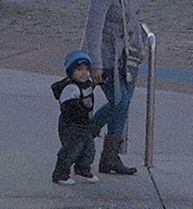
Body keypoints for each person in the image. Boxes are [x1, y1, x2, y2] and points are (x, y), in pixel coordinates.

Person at [82, 0, 143, 175]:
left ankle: (110, 157)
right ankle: (85, 134)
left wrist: (139, 46)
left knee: (124, 105)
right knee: (120, 101)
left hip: (126, 56)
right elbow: (93, 29)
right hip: (105, 57)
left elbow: (134, 18)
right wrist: (96, 64)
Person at [51, 51, 99, 186]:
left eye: (86, 69)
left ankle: (82, 168)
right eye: (79, 70)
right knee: (71, 149)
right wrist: (81, 105)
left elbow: (93, 85)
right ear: (71, 72)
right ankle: (60, 173)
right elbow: (67, 107)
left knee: (89, 148)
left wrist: (102, 79)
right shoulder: (71, 88)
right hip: (71, 124)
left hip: (84, 124)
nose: (84, 73)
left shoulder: (87, 83)